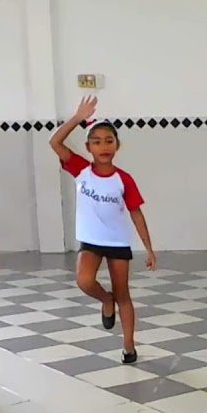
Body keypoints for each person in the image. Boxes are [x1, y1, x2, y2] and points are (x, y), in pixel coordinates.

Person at [50, 95, 157, 364]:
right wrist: (77, 118)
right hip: (90, 240)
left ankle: (129, 346)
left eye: (109, 141)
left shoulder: (124, 179)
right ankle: (105, 300)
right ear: (88, 147)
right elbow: (55, 143)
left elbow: (136, 213)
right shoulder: (80, 169)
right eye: (96, 142)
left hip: (117, 242)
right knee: (85, 280)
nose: (103, 146)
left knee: (124, 294)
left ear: (117, 145)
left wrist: (148, 247)